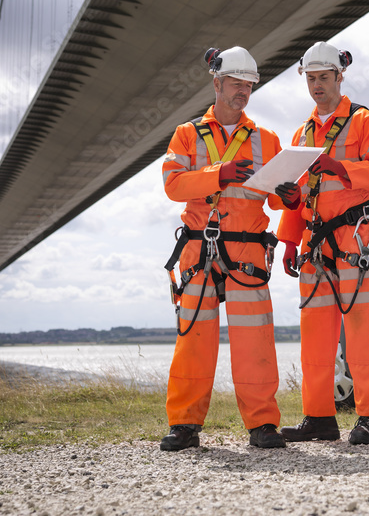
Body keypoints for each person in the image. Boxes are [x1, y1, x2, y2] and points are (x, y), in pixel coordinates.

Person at [159, 46, 295, 451]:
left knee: (255, 342)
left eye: (248, 86)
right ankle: (184, 425)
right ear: (217, 83)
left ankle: (262, 425)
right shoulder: (186, 134)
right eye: (236, 84)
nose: (242, 92)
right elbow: (172, 184)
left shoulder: (266, 139)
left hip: (248, 250)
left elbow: (275, 198)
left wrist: (290, 196)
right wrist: (219, 174)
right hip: (200, 250)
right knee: (194, 341)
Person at [275, 41, 369, 445]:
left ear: (340, 76)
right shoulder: (302, 133)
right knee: (316, 337)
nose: (317, 85)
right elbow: (298, 194)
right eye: (311, 78)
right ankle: (319, 417)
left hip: (354, 239)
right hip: (314, 243)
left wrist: (338, 166)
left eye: (324, 77)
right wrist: (288, 239)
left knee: (362, 331)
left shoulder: (363, 121)